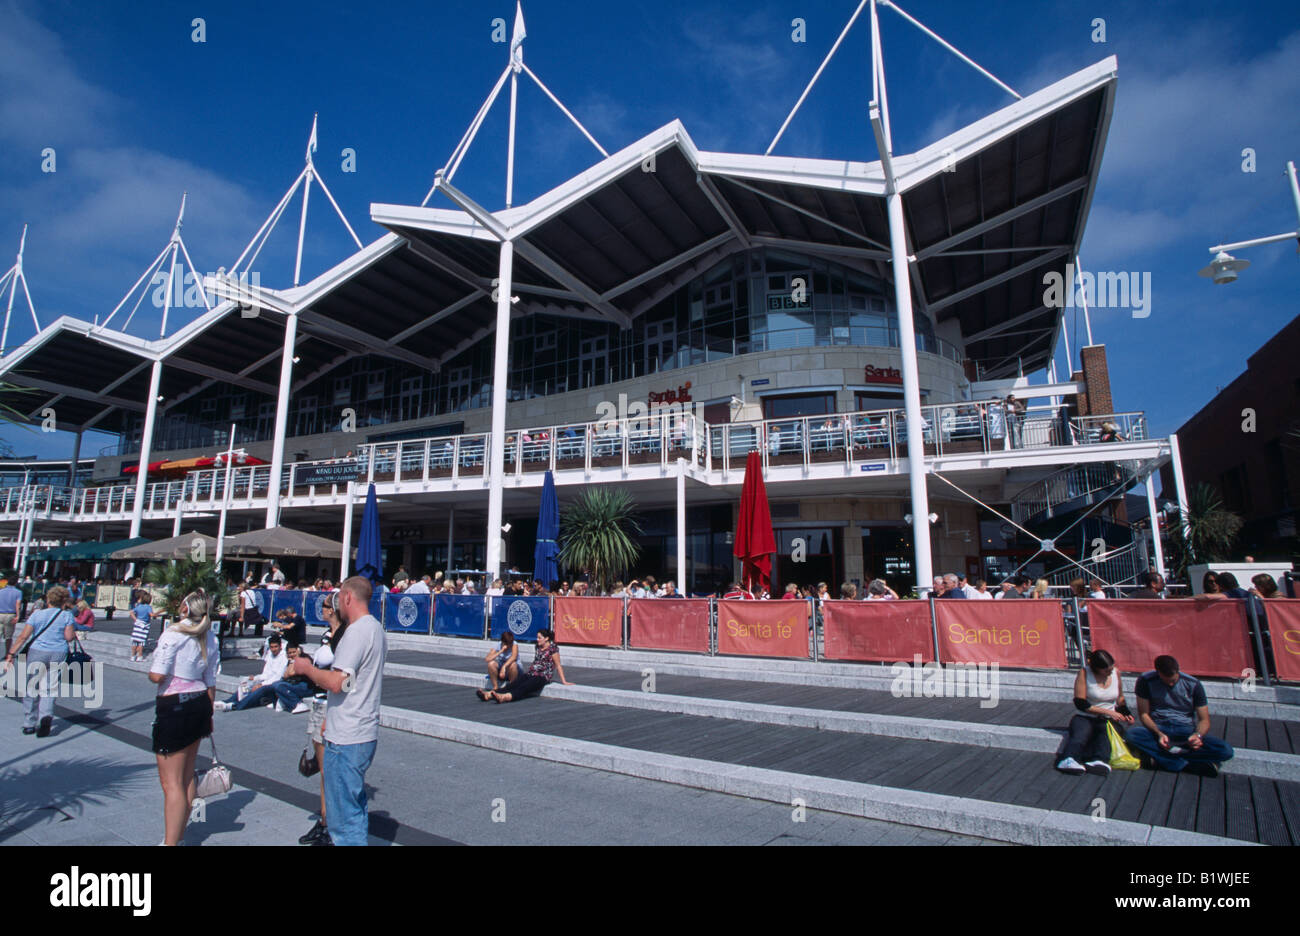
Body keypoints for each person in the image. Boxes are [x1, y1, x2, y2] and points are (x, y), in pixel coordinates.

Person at [289, 576, 387, 846]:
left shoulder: (355, 632)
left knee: (344, 818)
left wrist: (306, 669)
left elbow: (338, 682)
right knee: (353, 807)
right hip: (360, 728)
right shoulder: (375, 628)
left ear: (346, 597)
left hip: (348, 735)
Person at [148, 590, 220, 845]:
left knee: (172, 784)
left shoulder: (174, 634)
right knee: (187, 774)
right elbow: (210, 679)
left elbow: (157, 675)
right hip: (200, 701)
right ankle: (177, 834)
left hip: (175, 704)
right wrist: (209, 713)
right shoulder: (210, 637)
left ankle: (170, 842)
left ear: (186, 609)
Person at [1125, 655, 1234, 776]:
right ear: (1158, 673)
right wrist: (1159, 733)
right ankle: (1187, 763)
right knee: (1132, 735)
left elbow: (1204, 720)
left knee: (1226, 750)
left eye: (1174, 680)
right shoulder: (1145, 681)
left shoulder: (1193, 684)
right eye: (1167, 680)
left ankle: (1166, 760)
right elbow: (1144, 714)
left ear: (1178, 670)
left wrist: (1197, 735)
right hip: (1159, 727)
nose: (1171, 684)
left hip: (1185, 729)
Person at [299, 592, 343, 846]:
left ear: (333, 610)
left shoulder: (341, 638)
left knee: (328, 770)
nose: (322, 609)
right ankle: (326, 818)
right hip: (319, 701)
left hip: (330, 704)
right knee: (323, 767)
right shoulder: (328, 635)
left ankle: (329, 823)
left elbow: (344, 677)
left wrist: (309, 669)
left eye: (325, 605)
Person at [4, 586, 76, 737]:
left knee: (32, 686)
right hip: (58, 652)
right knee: (50, 688)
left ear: (48, 599)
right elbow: (69, 637)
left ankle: (30, 723)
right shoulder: (66, 616)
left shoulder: (37, 614)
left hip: (37, 652)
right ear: (63, 600)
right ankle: (46, 716)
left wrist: (11, 653)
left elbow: (24, 636)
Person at [1056, 649, 1134, 775]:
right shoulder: (1084, 673)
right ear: (1096, 668)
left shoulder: (1116, 673)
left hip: (1107, 718)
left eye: (1111, 668)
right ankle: (1068, 759)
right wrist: (1107, 712)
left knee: (1105, 734)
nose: (1110, 672)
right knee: (1081, 735)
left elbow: (1120, 698)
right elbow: (1080, 703)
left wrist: (1126, 713)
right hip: (1086, 715)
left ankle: (1099, 760)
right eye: (1106, 670)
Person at [476, 628, 570, 702]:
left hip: (542, 676)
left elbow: (558, 665)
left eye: (539, 638)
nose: (537, 640)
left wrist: (564, 681)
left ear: (546, 638)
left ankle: (504, 697)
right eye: (537, 637)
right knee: (512, 685)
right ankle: (488, 694)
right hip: (531, 673)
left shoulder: (553, 648)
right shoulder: (537, 646)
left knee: (524, 687)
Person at [214, 635, 289, 711]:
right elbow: (266, 673)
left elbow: (277, 677)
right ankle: (227, 701)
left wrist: (261, 684)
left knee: (261, 689)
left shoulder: (284, 657)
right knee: (246, 684)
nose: (273, 649)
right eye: (271, 647)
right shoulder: (270, 655)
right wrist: (255, 678)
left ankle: (236, 706)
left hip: (276, 684)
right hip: (267, 681)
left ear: (280, 646)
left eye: (276, 647)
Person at [130, 590, 161, 661]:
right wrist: (159, 612)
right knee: (141, 642)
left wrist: (136, 619)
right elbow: (152, 615)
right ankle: (140, 656)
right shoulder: (148, 607)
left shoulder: (139, 606)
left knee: (135, 641)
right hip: (144, 626)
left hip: (137, 624)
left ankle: (133, 656)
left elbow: (131, 612)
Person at [0, 578, 23, 656]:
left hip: (0, 614)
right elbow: (18, 604)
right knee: (8, 636)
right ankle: (7, 653)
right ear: (16, 583)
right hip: (10, 615)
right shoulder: (18, 592)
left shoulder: (1, 591)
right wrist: (18, 615)